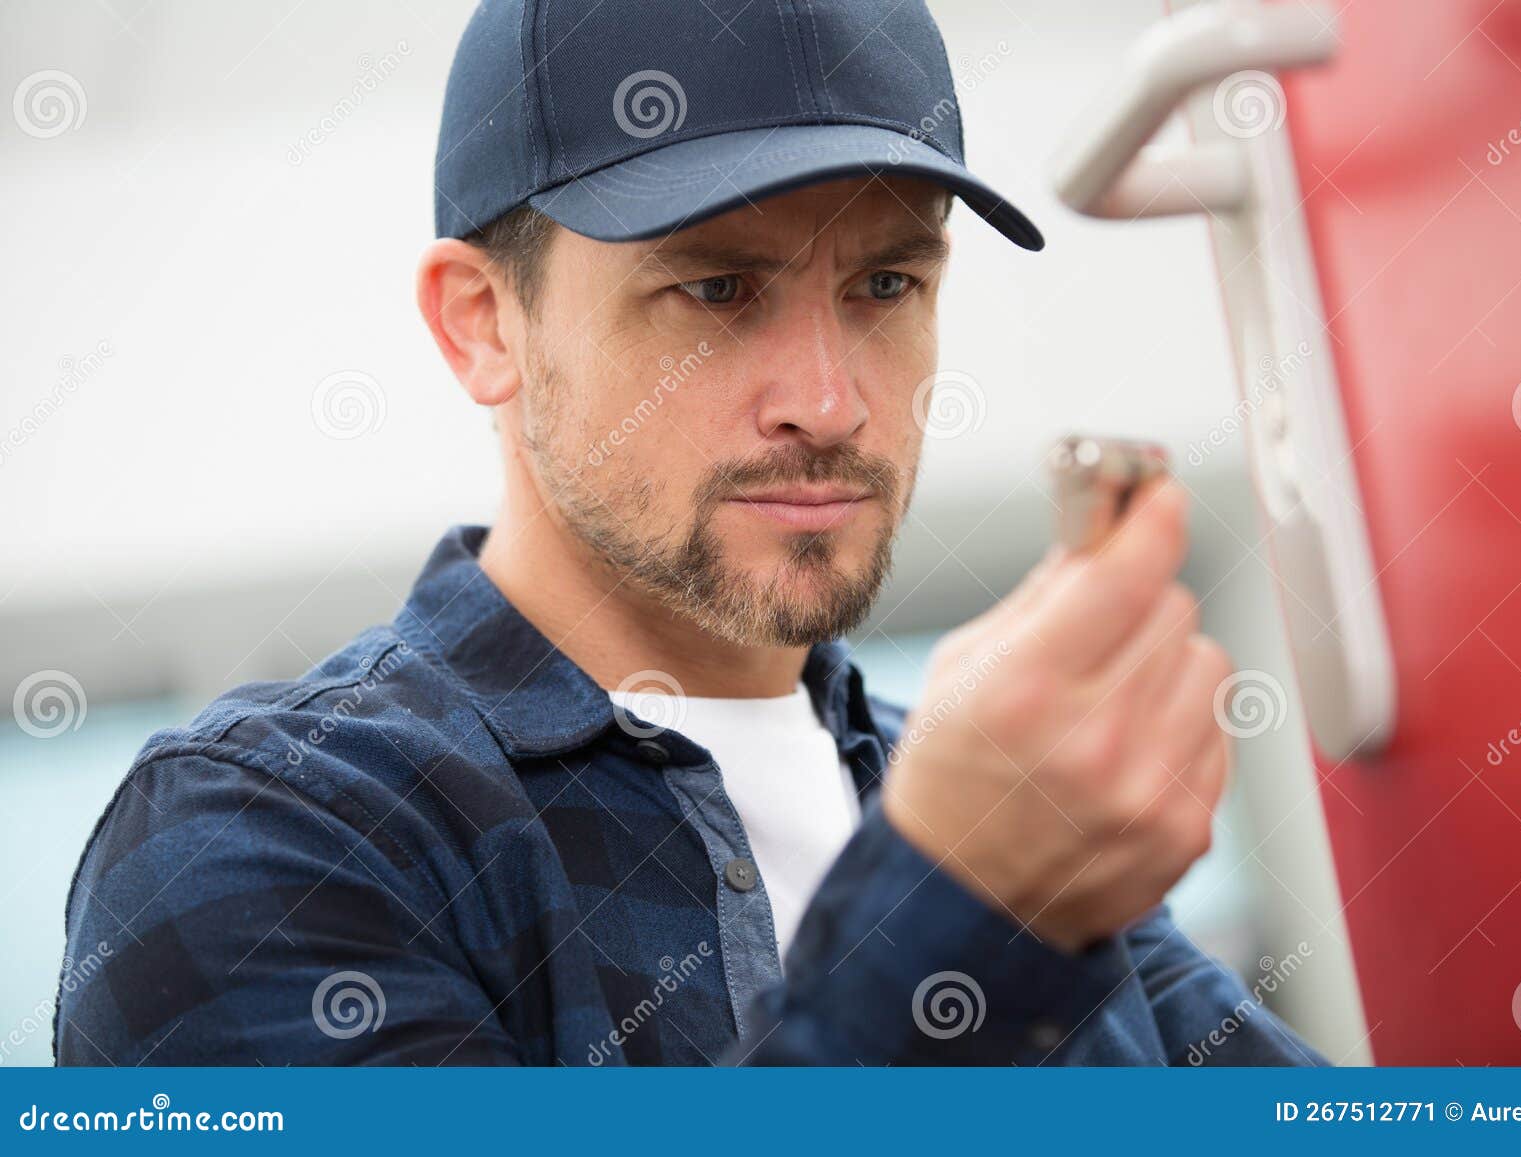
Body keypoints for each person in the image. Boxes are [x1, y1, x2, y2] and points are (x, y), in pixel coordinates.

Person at [55, 0, 1325, 1066]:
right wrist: (956, 912)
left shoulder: (996, 813)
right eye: (716, 288)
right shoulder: (267, 834)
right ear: (482, 324)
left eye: (886, 283)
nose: (829, 402)